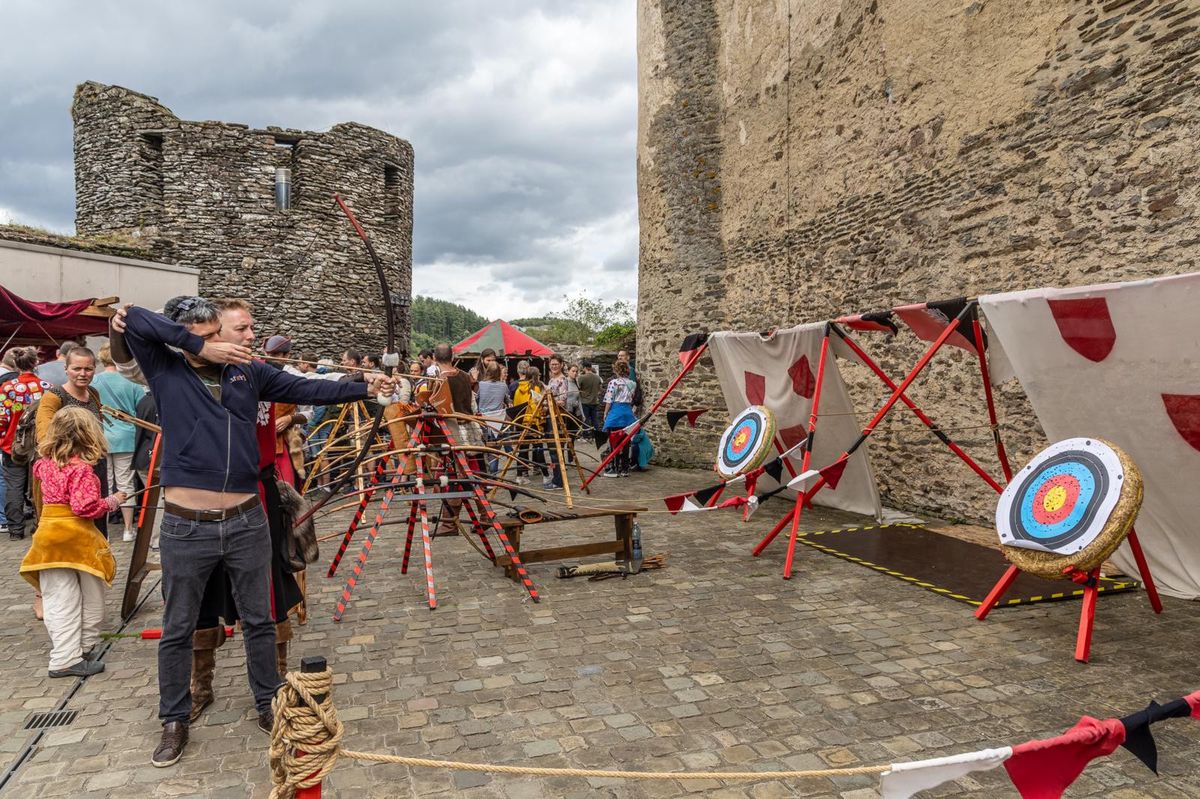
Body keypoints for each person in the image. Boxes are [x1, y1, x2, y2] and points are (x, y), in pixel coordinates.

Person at [113, 299, 394, 767]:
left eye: (216, 334)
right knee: (179, 627)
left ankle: (269, 702)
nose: (234, 341)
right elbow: (131, 316)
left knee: (260, 619)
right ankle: (174, 718)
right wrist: (199, 345)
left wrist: (366, 384)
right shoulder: (165, 367)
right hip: (186, 524)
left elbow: (309, 387)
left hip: (246, 519)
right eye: (215, 334)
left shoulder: (251, 374)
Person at [20, 407, 125, 677]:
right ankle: (79, 649)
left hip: (48, 538)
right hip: (77, 540)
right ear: (89, 434)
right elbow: (85, 508)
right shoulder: (82, 471)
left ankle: (65, 653)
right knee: (92, 596)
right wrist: (113, 500)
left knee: (58, 599)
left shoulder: (43, 465)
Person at [35, 347, 110, 537]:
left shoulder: (93, 393)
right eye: (77, 369)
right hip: (69, 471)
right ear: (66, 369)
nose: (83, 374)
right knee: (75, 525)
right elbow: (45, 438)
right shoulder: (54, 396)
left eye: (88, 369)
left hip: (96, 465)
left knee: (98, 523)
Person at [93, 345, 147, 541]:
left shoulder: (94, 381)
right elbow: (142, 408)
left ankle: (104, 532)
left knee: (104, 484)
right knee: (126, 483)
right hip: (127, 436)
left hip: (101, 437)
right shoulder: (132, 382)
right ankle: (127, 529)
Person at [0, 348, 52, 539]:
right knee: (39, 486)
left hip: (12, 445)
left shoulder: (7, 388)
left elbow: (2, 418)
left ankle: (15, 530)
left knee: (13, 487)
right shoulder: (47, 387)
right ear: (35, 363)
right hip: (40, 444)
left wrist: (4, 438)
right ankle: (40, 524)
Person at [602, 360, 638, 477]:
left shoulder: (613, 383)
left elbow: (609, 400)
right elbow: (632, 399)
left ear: (616, 370)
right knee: (626, 441)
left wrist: (605, 413)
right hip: (627, 414)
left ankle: (614, 467)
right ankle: (625, 469)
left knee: (614, 441)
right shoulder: (633, 383)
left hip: (615, 413)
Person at [475, 361, 509, 474]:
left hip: (483, 420)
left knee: (483, 449)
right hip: (498, 420)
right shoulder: (503, 386)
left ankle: (485, 474)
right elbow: (506, 400)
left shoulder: (481, 385)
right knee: (495, 450)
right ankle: (493, 475)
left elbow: (476, 400)